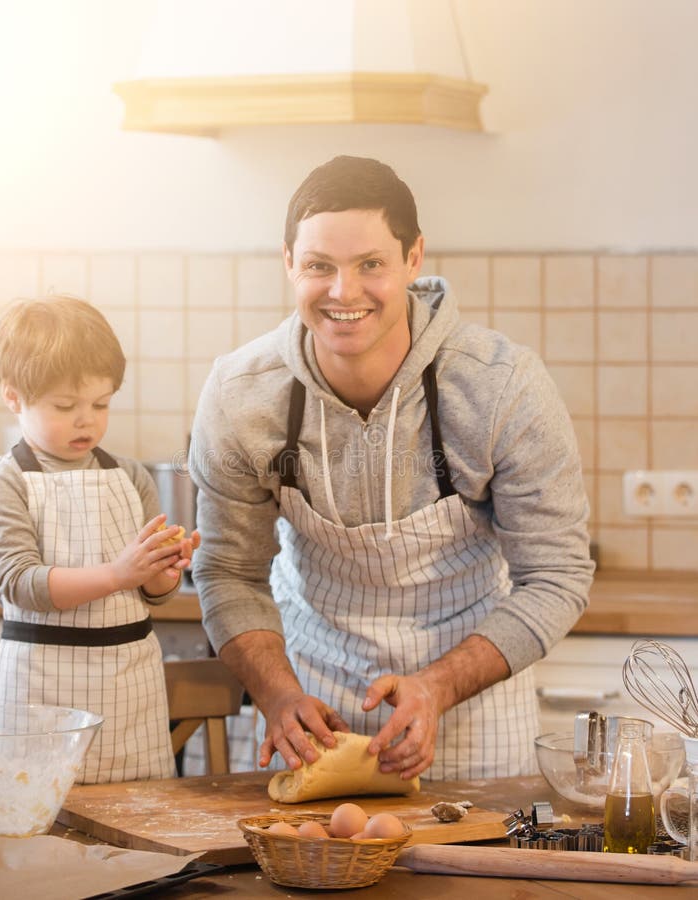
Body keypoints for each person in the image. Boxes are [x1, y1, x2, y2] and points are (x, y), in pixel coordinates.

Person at [189, 155, 594, 782]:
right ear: (289, 264)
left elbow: (557, 576)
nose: (343, 292)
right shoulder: (240, 395)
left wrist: (435, 687)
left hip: (473, 711)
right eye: (320, 265)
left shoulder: (501, 386)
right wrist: (277, 695)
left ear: (414, 258)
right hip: (308, 699)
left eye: (370, 264)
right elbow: (229, 573)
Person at [0, 296, 199, 783]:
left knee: (136, 834)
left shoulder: (130, 476)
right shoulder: (6, 481)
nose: (86, 420)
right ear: (14, 397)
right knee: (37, 832)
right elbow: (20, 583)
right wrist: (119, 573)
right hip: (40, 698)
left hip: (129, 696)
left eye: (101, 404)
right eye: (65, 406)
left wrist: (161, 573)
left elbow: (151, 596)